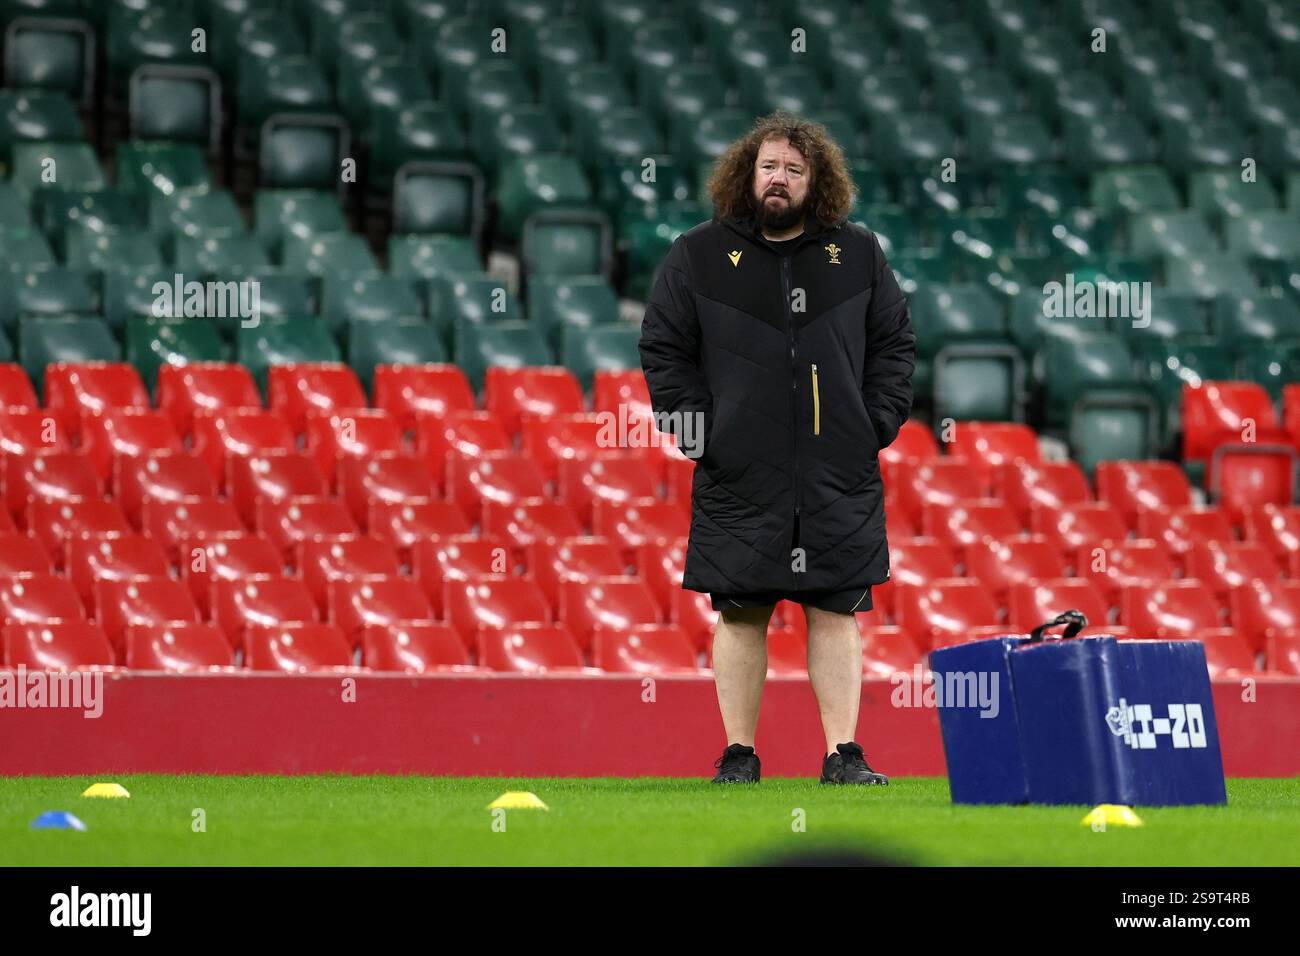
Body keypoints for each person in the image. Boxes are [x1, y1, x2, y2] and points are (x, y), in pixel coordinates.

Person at [638, 112, 916, 785]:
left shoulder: (858, 255)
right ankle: (739, 754)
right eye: (770, 167)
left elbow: (895, 347)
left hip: (837, 471)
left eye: (795, 169)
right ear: (747, 172)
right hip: (739, 473)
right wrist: (697, 432)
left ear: (815, 182)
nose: (780, 179)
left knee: (838, 609)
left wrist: (871, 422)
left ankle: (842, 755)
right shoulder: (697, 254)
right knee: (740, 612)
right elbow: (663, 349)